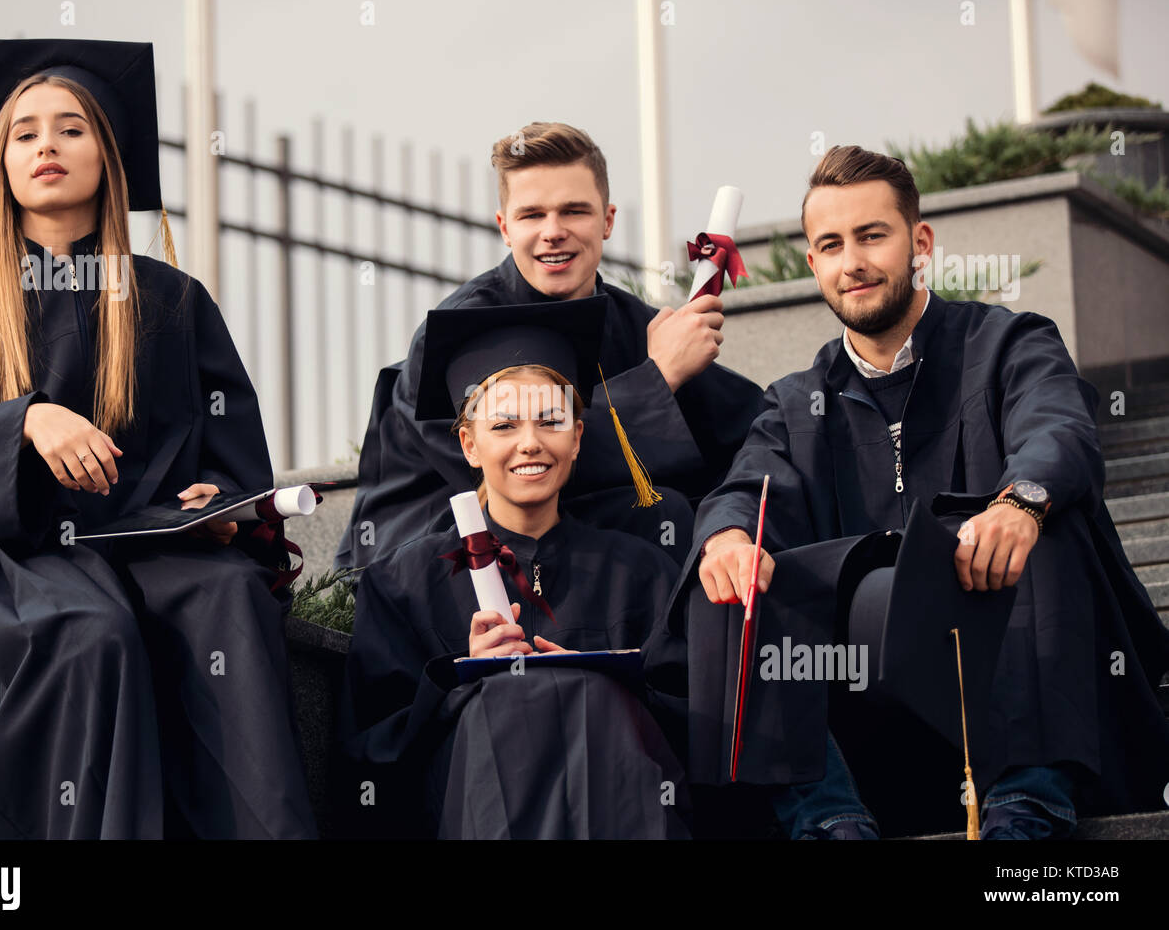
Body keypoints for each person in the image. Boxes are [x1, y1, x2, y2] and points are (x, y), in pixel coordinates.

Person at [0, 39, 315, 838]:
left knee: (229, 601)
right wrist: (21, 422)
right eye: (25, 132)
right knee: (92, 634)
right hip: (18, 560)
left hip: (156, 543)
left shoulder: (172, 301)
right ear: (0, 163)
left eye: (72, 128)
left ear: (109, 156)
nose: (47, 145)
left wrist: (221, 500)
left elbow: (232, 453)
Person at [670, 145, 1169, 839]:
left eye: (873, 235)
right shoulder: (795, 404)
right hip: (874, 721)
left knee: (1045, 520)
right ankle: (830, 822)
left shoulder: (1005, 344)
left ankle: (1026, 811)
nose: (854, 262)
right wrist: (726, 536)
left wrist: (1019, 501)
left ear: (919, 241)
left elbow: (1059, 431)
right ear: (813, 263)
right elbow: (745, 489)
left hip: (1023, 698)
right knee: (728, 573)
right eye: (831, 244)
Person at [335, 121, 765, 571]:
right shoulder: (460, 335)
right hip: (440, 545)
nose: (553, 231)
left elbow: (751, 432)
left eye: (574, 211)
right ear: (505, 227)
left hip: (575, 534)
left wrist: (726, 527)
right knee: (657, 516)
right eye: (532, 215)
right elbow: (513, 475)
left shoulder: (637, 326)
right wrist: (656, 379)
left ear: (608, 221)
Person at [339, 297, 690, 839]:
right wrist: (460, 682)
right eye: (503, 425)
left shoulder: (640, 572)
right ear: (469, 444)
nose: (530, 443)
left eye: (551, 421)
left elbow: (688, 718)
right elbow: (371, 751)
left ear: (576, 438)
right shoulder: (403, 584)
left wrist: (596, 690)